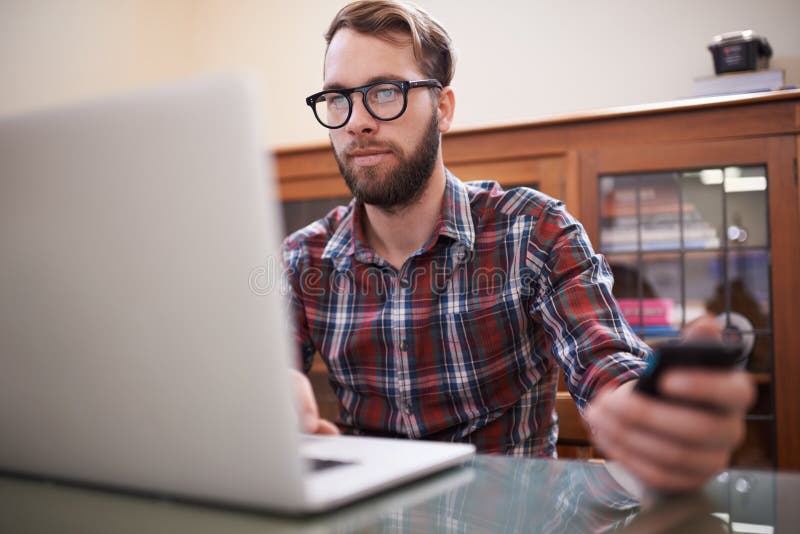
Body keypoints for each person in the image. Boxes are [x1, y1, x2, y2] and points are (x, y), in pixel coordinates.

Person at [282, 0, 754, 492]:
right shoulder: (301, 260)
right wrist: (268, 397)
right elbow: (261, 385)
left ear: (442, 109)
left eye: (384, 92)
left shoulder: (536, 232)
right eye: (337, 98)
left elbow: (606, 363)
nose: (356, 121)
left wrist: (650, 414)